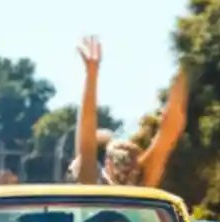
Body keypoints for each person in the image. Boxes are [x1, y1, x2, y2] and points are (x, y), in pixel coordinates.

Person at [70, 36, 188, 187]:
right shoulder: (92, 182)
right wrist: (91, 73)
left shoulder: (138, 183)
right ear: (106, 163)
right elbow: (86, 139)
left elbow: (169, 129)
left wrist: (92, 73)